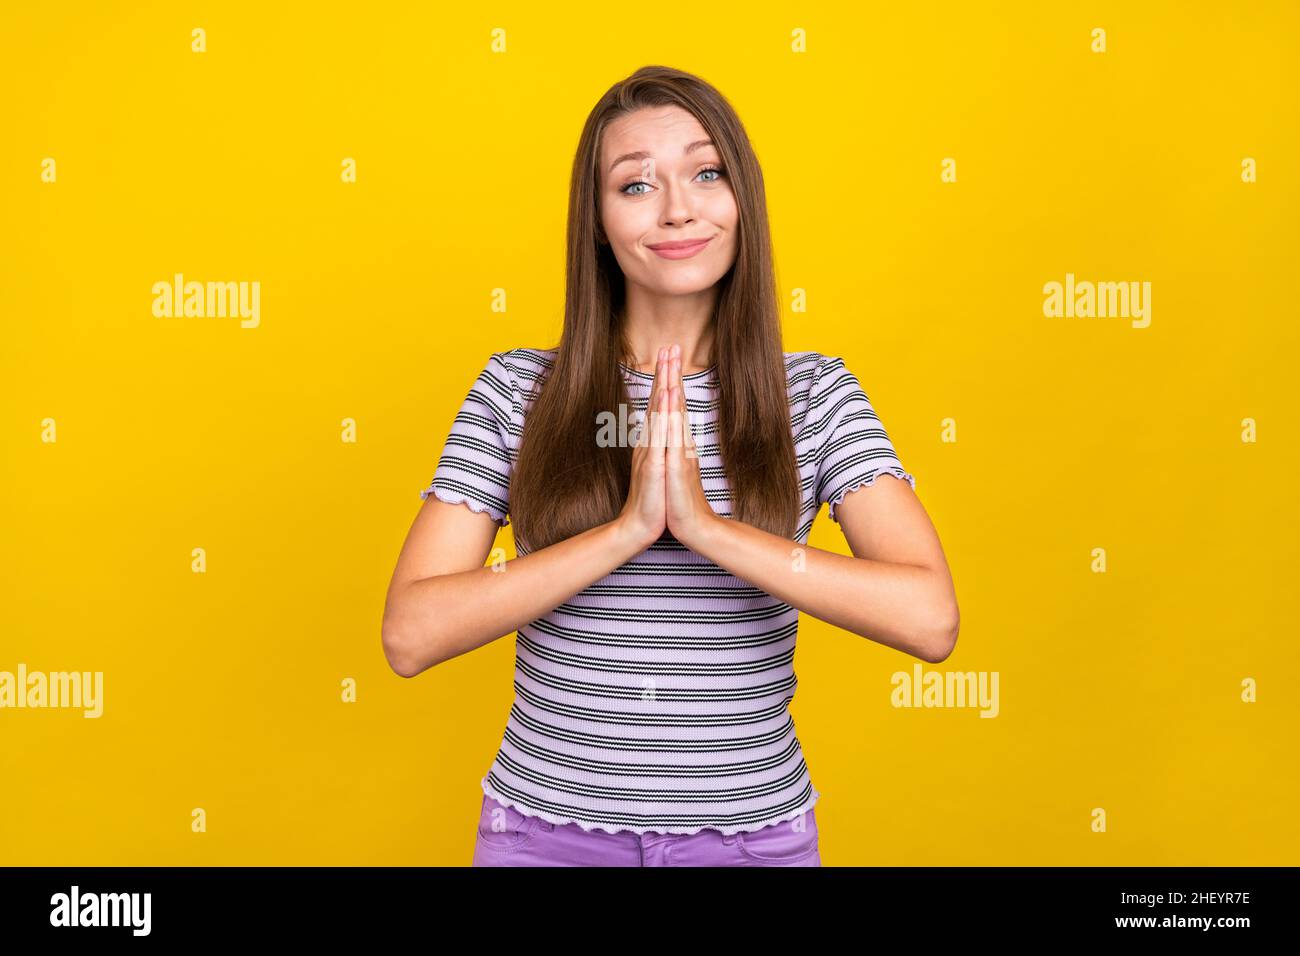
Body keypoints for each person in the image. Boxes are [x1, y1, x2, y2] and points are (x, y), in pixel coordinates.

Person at [381, 65, 959, 866]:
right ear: (598, 221)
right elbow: (411, 635)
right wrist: (624, 533)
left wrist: (705, 528)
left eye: (706, 172)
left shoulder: (814, 393)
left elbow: (930, 621)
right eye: (636, 185)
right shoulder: (519, 390)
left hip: (751, 843)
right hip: (543, 842)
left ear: (741, 200)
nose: (678, 208)